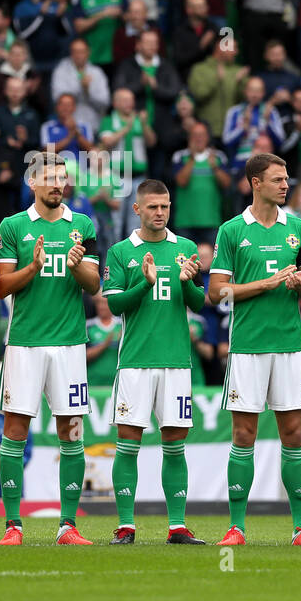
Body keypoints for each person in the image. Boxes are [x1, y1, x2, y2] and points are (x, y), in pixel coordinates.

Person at [208, 152, 301, 546]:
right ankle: (236, 527)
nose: (286, 184)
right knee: (244, 434)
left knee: (294, 434)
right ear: (256, 183)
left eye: (287, 178)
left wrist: (297, 285)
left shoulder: (299, 229)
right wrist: (266, 284)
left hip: (289, 347)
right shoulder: (231, 231)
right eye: (278, 179)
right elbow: (216, 292)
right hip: (248, 347)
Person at [0, 154, 102, 546]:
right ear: (33, 183)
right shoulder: (13, 226)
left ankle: (67, 526)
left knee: (71, 432)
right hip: (24, 344)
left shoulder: (83, 224)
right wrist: (33, 267)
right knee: (15, 431)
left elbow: (93, 286)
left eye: (63, 178)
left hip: (70, 344)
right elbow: (1, 286)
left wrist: (76, 266)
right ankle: (13, 526)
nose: (58, 185)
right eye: (50, 179)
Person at [101, 179, 207, 545]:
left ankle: (177, 526)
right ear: (137, 209)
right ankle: (126, 526)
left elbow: (197, 303)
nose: (160, 213)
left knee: (175, 442)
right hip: (135, 361)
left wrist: (191, 282)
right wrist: (145, 283)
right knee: (128, 440)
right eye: (152, 207)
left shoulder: (186, 247)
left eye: (164, 206)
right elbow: (114, 306)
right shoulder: (120, 251)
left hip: (176, 360)